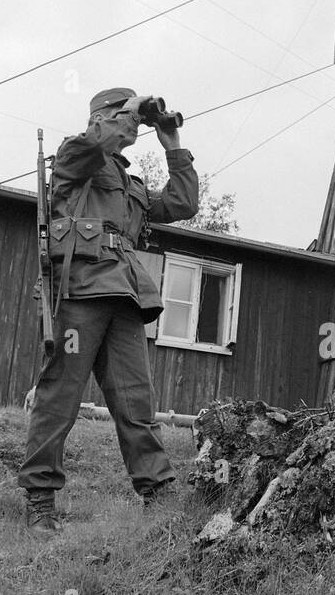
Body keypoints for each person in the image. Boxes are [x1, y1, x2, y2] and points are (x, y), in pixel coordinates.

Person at [18, 87, 199, 531]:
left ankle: (157, 493)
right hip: (80, 292)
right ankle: (40, 499)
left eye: (134, 116)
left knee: (136, 401)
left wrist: (172, 144)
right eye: (126, 116)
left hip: (124, 296)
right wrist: (130, 112)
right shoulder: (75, 156)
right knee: (60, 396)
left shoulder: (132, 185)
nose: (134, 123)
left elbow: (183, 203)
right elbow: (97, 143)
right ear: (104, 117)